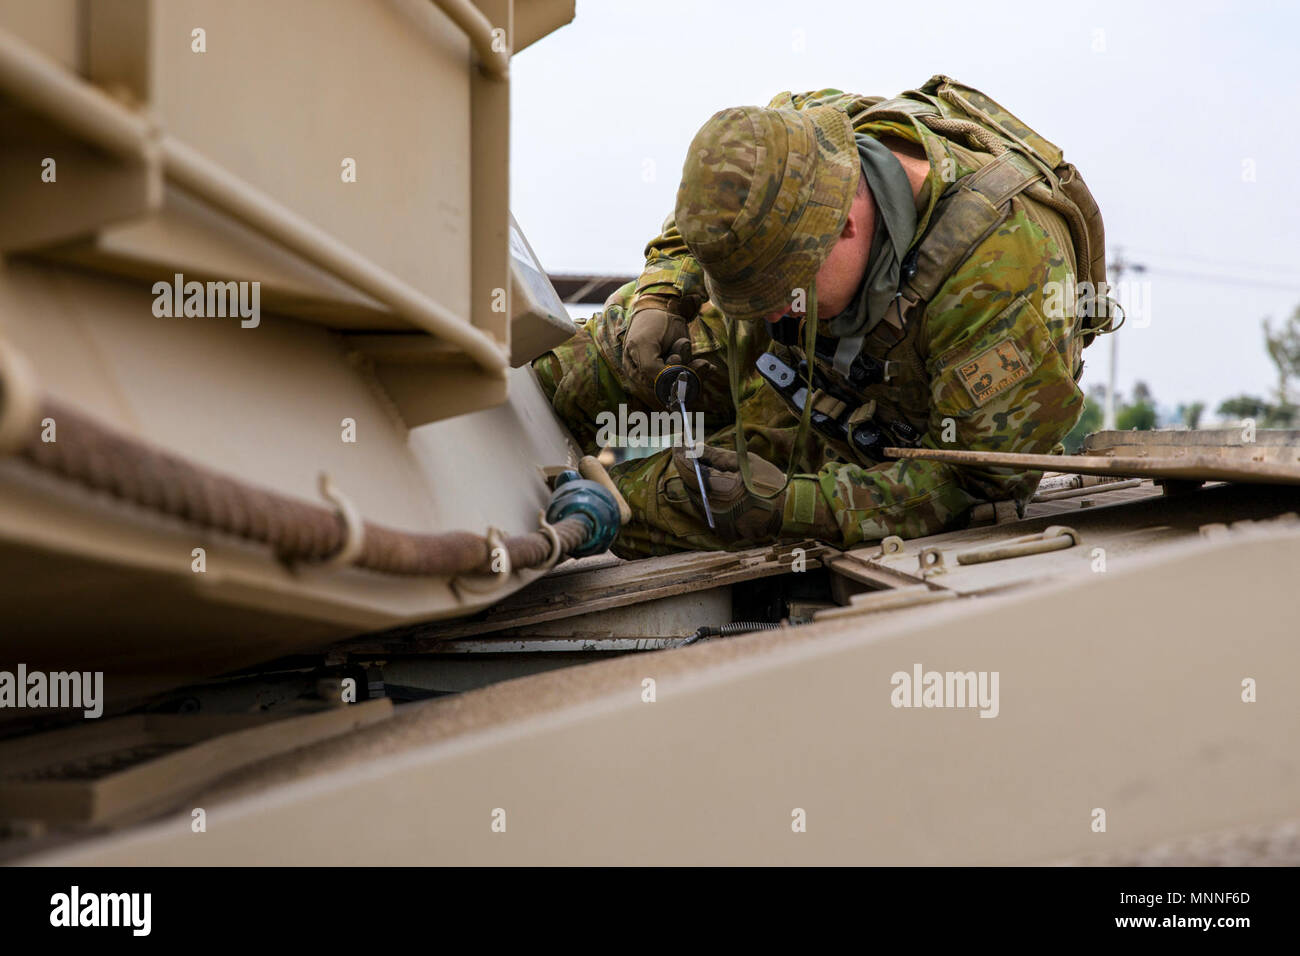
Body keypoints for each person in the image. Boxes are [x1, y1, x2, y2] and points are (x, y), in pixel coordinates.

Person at [535, 79, 1105, 558]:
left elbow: (979, 482)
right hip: (802, 362)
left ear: (846, 227)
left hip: (884, 439)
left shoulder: (999, 284)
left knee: (648, 505)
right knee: (576, 373)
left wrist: (789, 505)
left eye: (776, 291)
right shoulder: (795, 138)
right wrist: (663, 295)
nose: (764, 313)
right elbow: (712, 214)